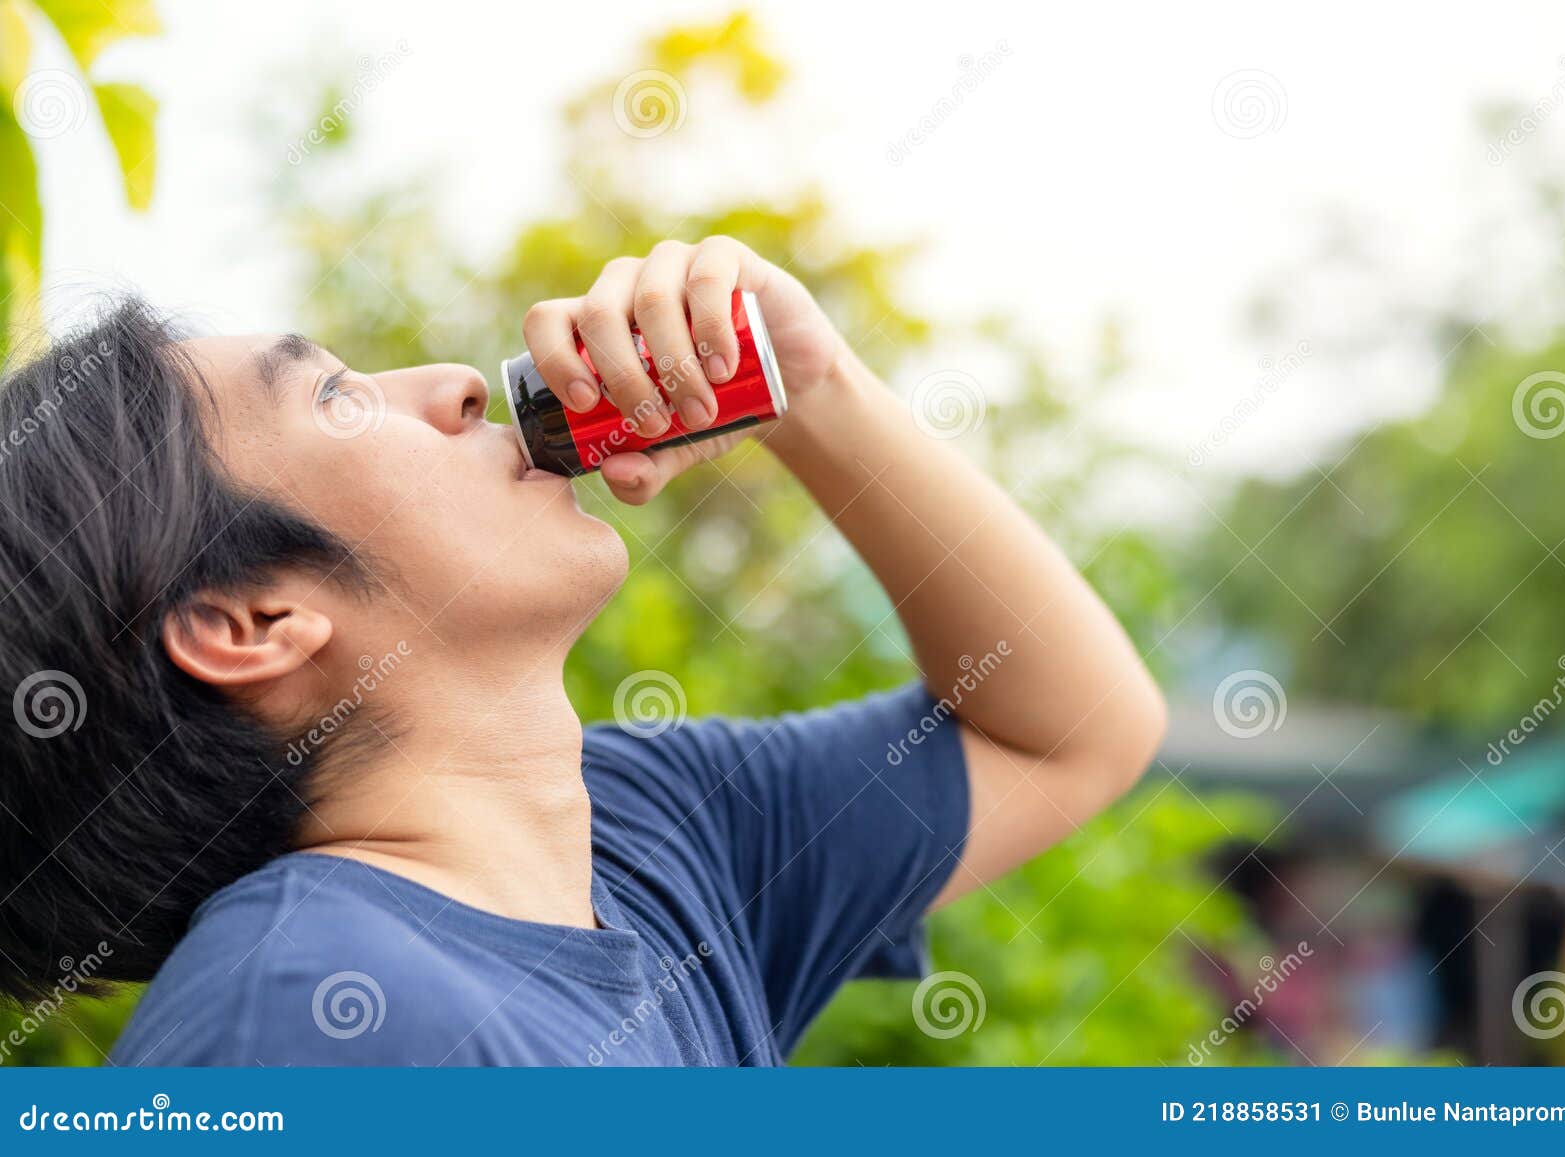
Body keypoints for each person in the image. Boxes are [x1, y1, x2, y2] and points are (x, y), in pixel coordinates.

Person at [0, 237, 1166, 1065]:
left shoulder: (654, 834)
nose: (459, 386)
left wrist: (812, 389)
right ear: (251, 624)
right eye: (337, 397)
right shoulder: (303, 1015)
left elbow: (1069, 733)